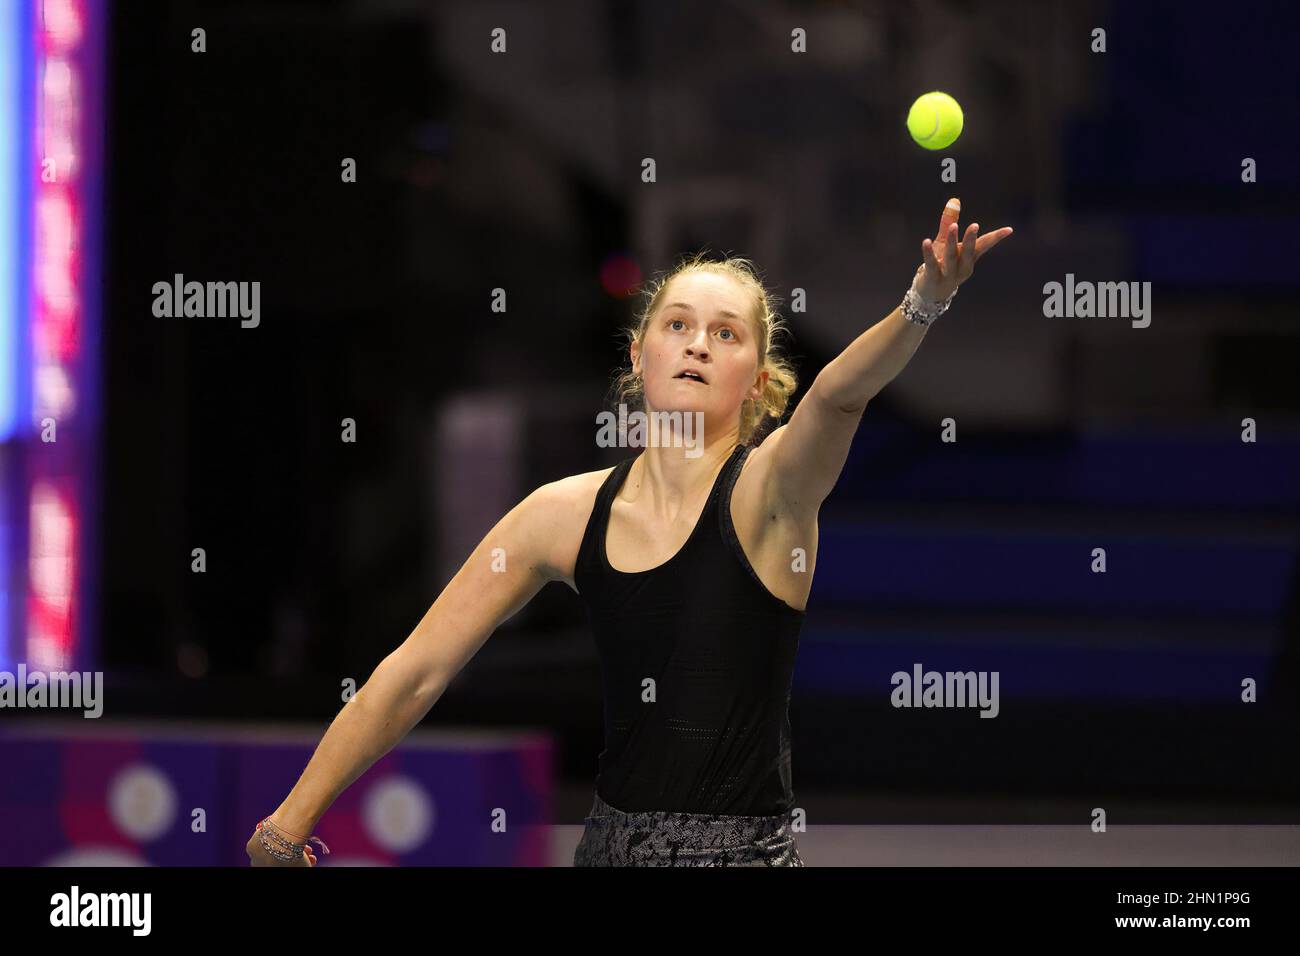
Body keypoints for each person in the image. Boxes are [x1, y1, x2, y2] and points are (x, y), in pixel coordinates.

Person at [246, 197, 1012, 867]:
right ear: (639, 354)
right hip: (604, 851)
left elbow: (840, 399)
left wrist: (923, 301)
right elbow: (415, 670)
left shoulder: (771, 493)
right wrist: (288, 824)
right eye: (677, 325)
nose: (698, 345)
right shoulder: (559, 514)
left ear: (760, 379)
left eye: (726, 334)